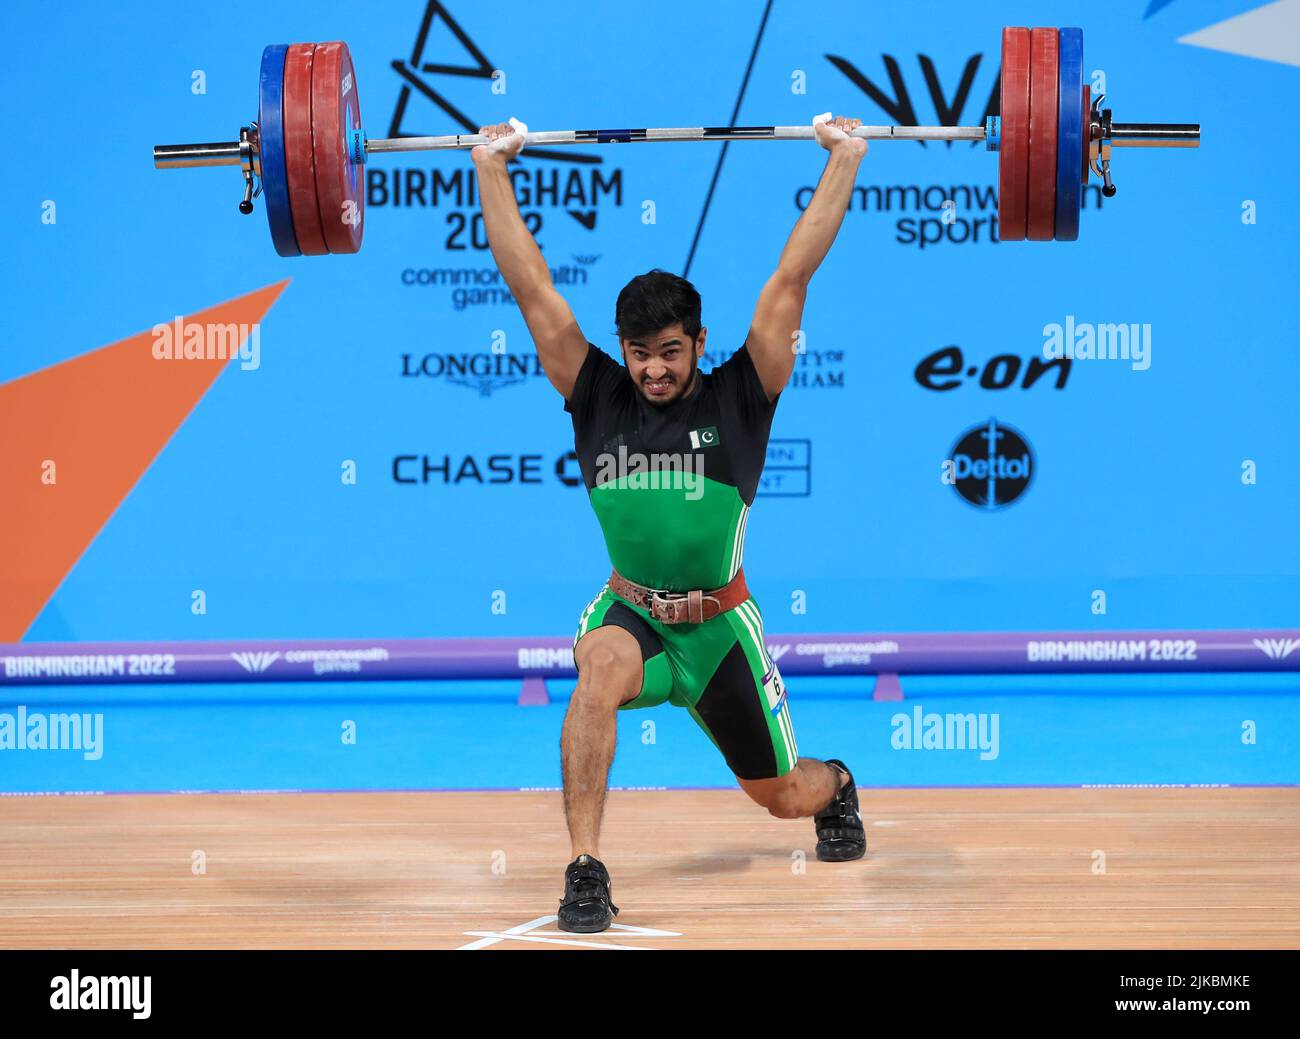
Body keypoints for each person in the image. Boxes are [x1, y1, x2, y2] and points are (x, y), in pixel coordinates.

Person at [472, 113, 868, 933]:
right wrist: (489, 165)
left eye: (670, 352)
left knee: (782, 796)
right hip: (633, 615)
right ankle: (586, 868)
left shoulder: (742, 396)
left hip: (721, 632)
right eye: (640, 352)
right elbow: (531, 286)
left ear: (698, 343)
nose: (653, 369)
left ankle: (838, 783)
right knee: (596, 678)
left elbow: (792, 277)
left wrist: (845, 159)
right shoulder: (596, 394)